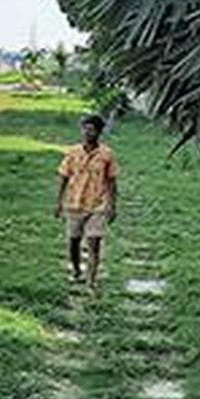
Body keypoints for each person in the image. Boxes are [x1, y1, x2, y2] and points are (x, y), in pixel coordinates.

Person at [54, 114, 118, 292]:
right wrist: (58, 202)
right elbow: (63, 176)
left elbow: (112, 181)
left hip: (97, 205)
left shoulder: (106, 154)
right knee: (73, 241)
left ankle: (92, 280)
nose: (87, 133)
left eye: (91, 130)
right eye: (85, 129)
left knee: (94, 242)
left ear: (99, 132)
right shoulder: (73, 152)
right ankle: (75, 270)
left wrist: (112, 206)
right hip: (74, 203)